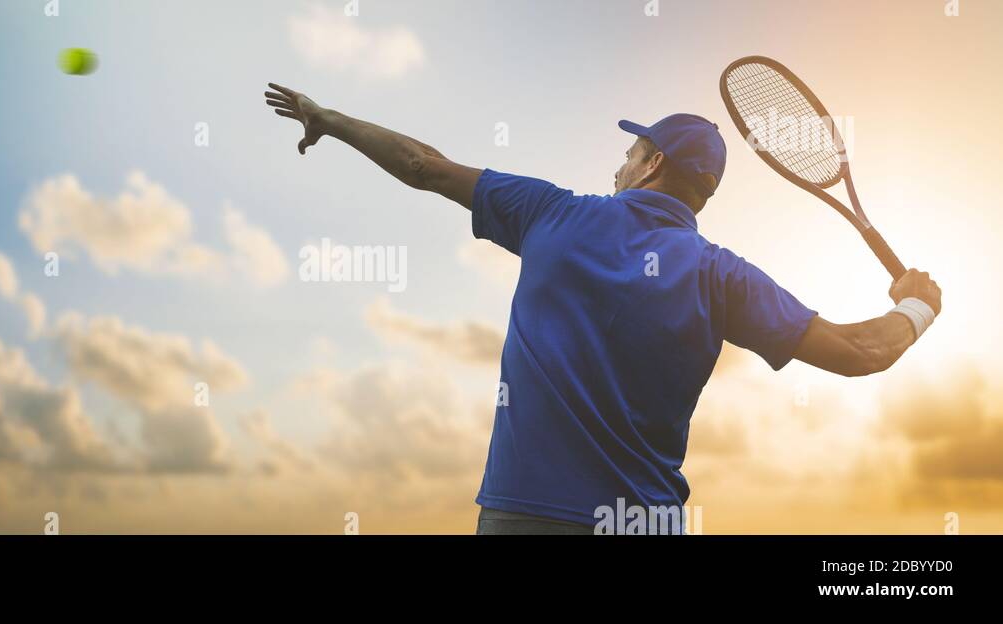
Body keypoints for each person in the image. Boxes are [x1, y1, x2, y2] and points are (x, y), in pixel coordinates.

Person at [263, 83, 942, 535]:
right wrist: (917, 308)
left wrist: (335, 121)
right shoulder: (722, 277)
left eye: (628, 155)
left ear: (651, 165)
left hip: (521, 515)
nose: (615, 168)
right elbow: (863, 353)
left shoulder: (550, 213)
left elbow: (424, 165)